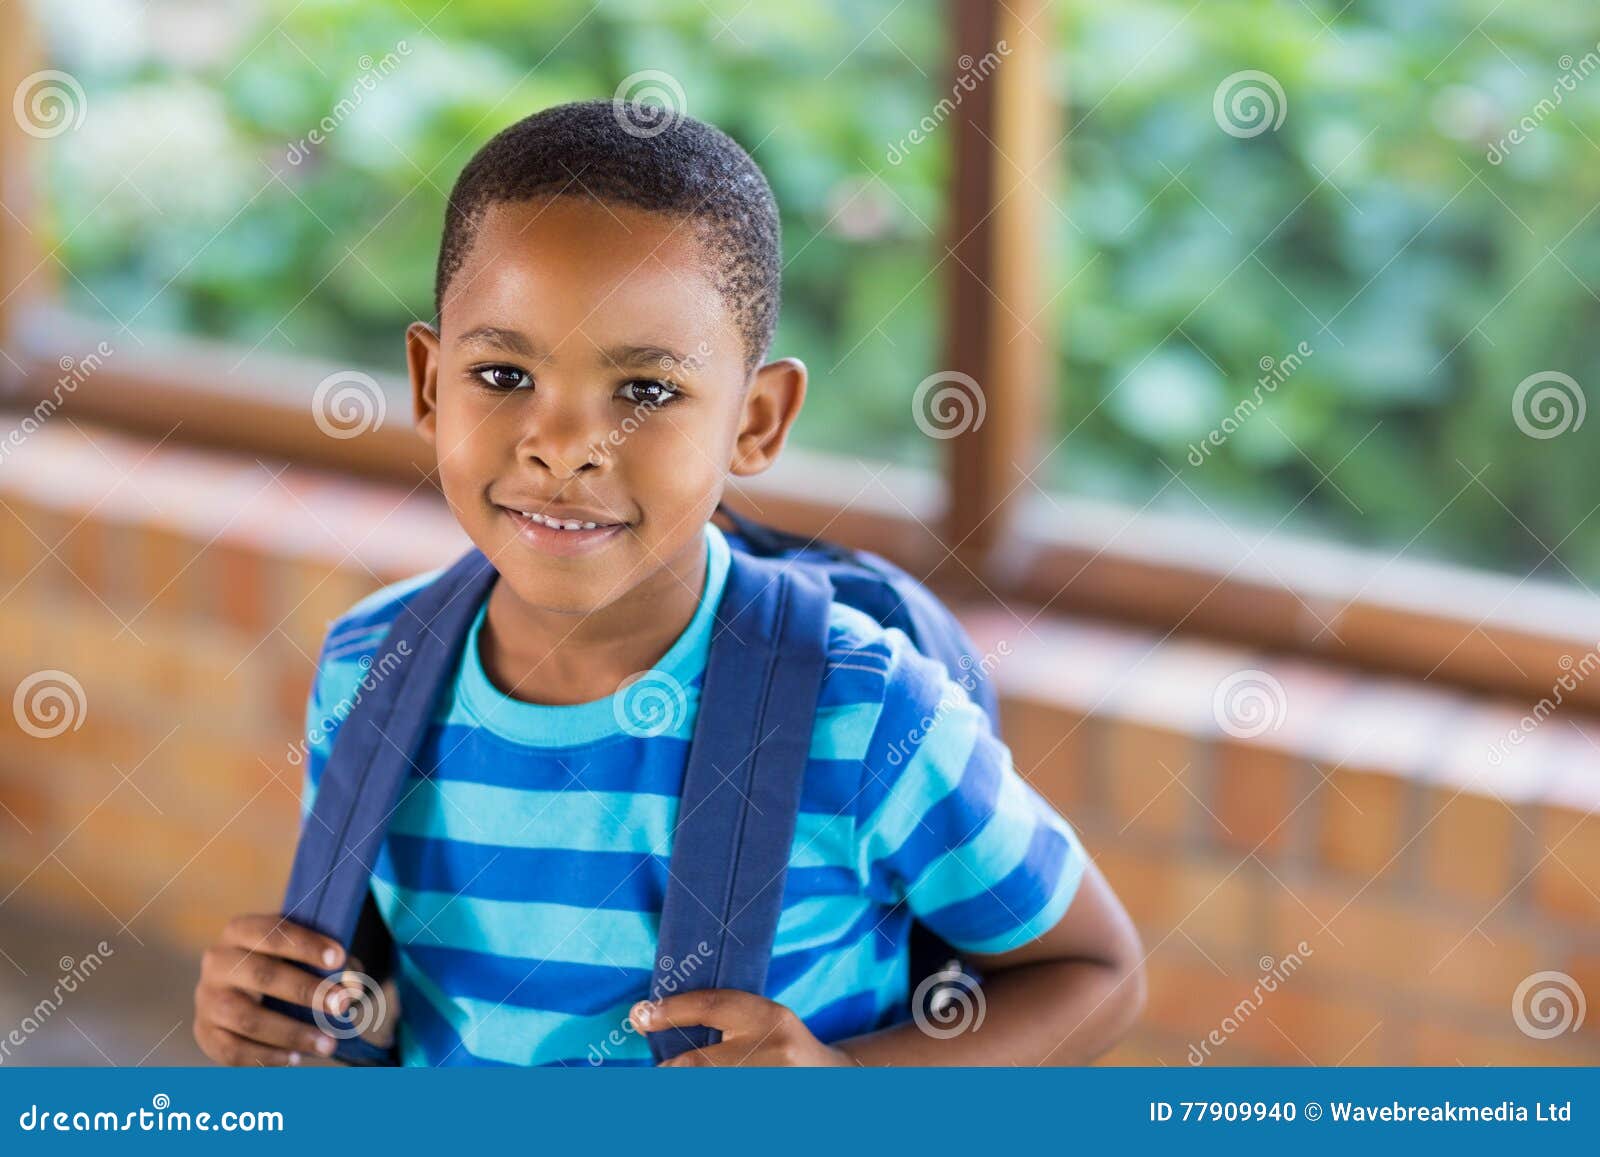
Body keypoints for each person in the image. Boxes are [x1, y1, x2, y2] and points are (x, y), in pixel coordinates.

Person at [192, 99, 1145, 1067]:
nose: (563, 446)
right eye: (504, 374)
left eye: (645, 391)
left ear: (756, 421)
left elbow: (1095, 972)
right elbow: (406, 1003)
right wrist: (283, 1013)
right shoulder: (368, 666)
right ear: (429, 384)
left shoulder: (863, 711)